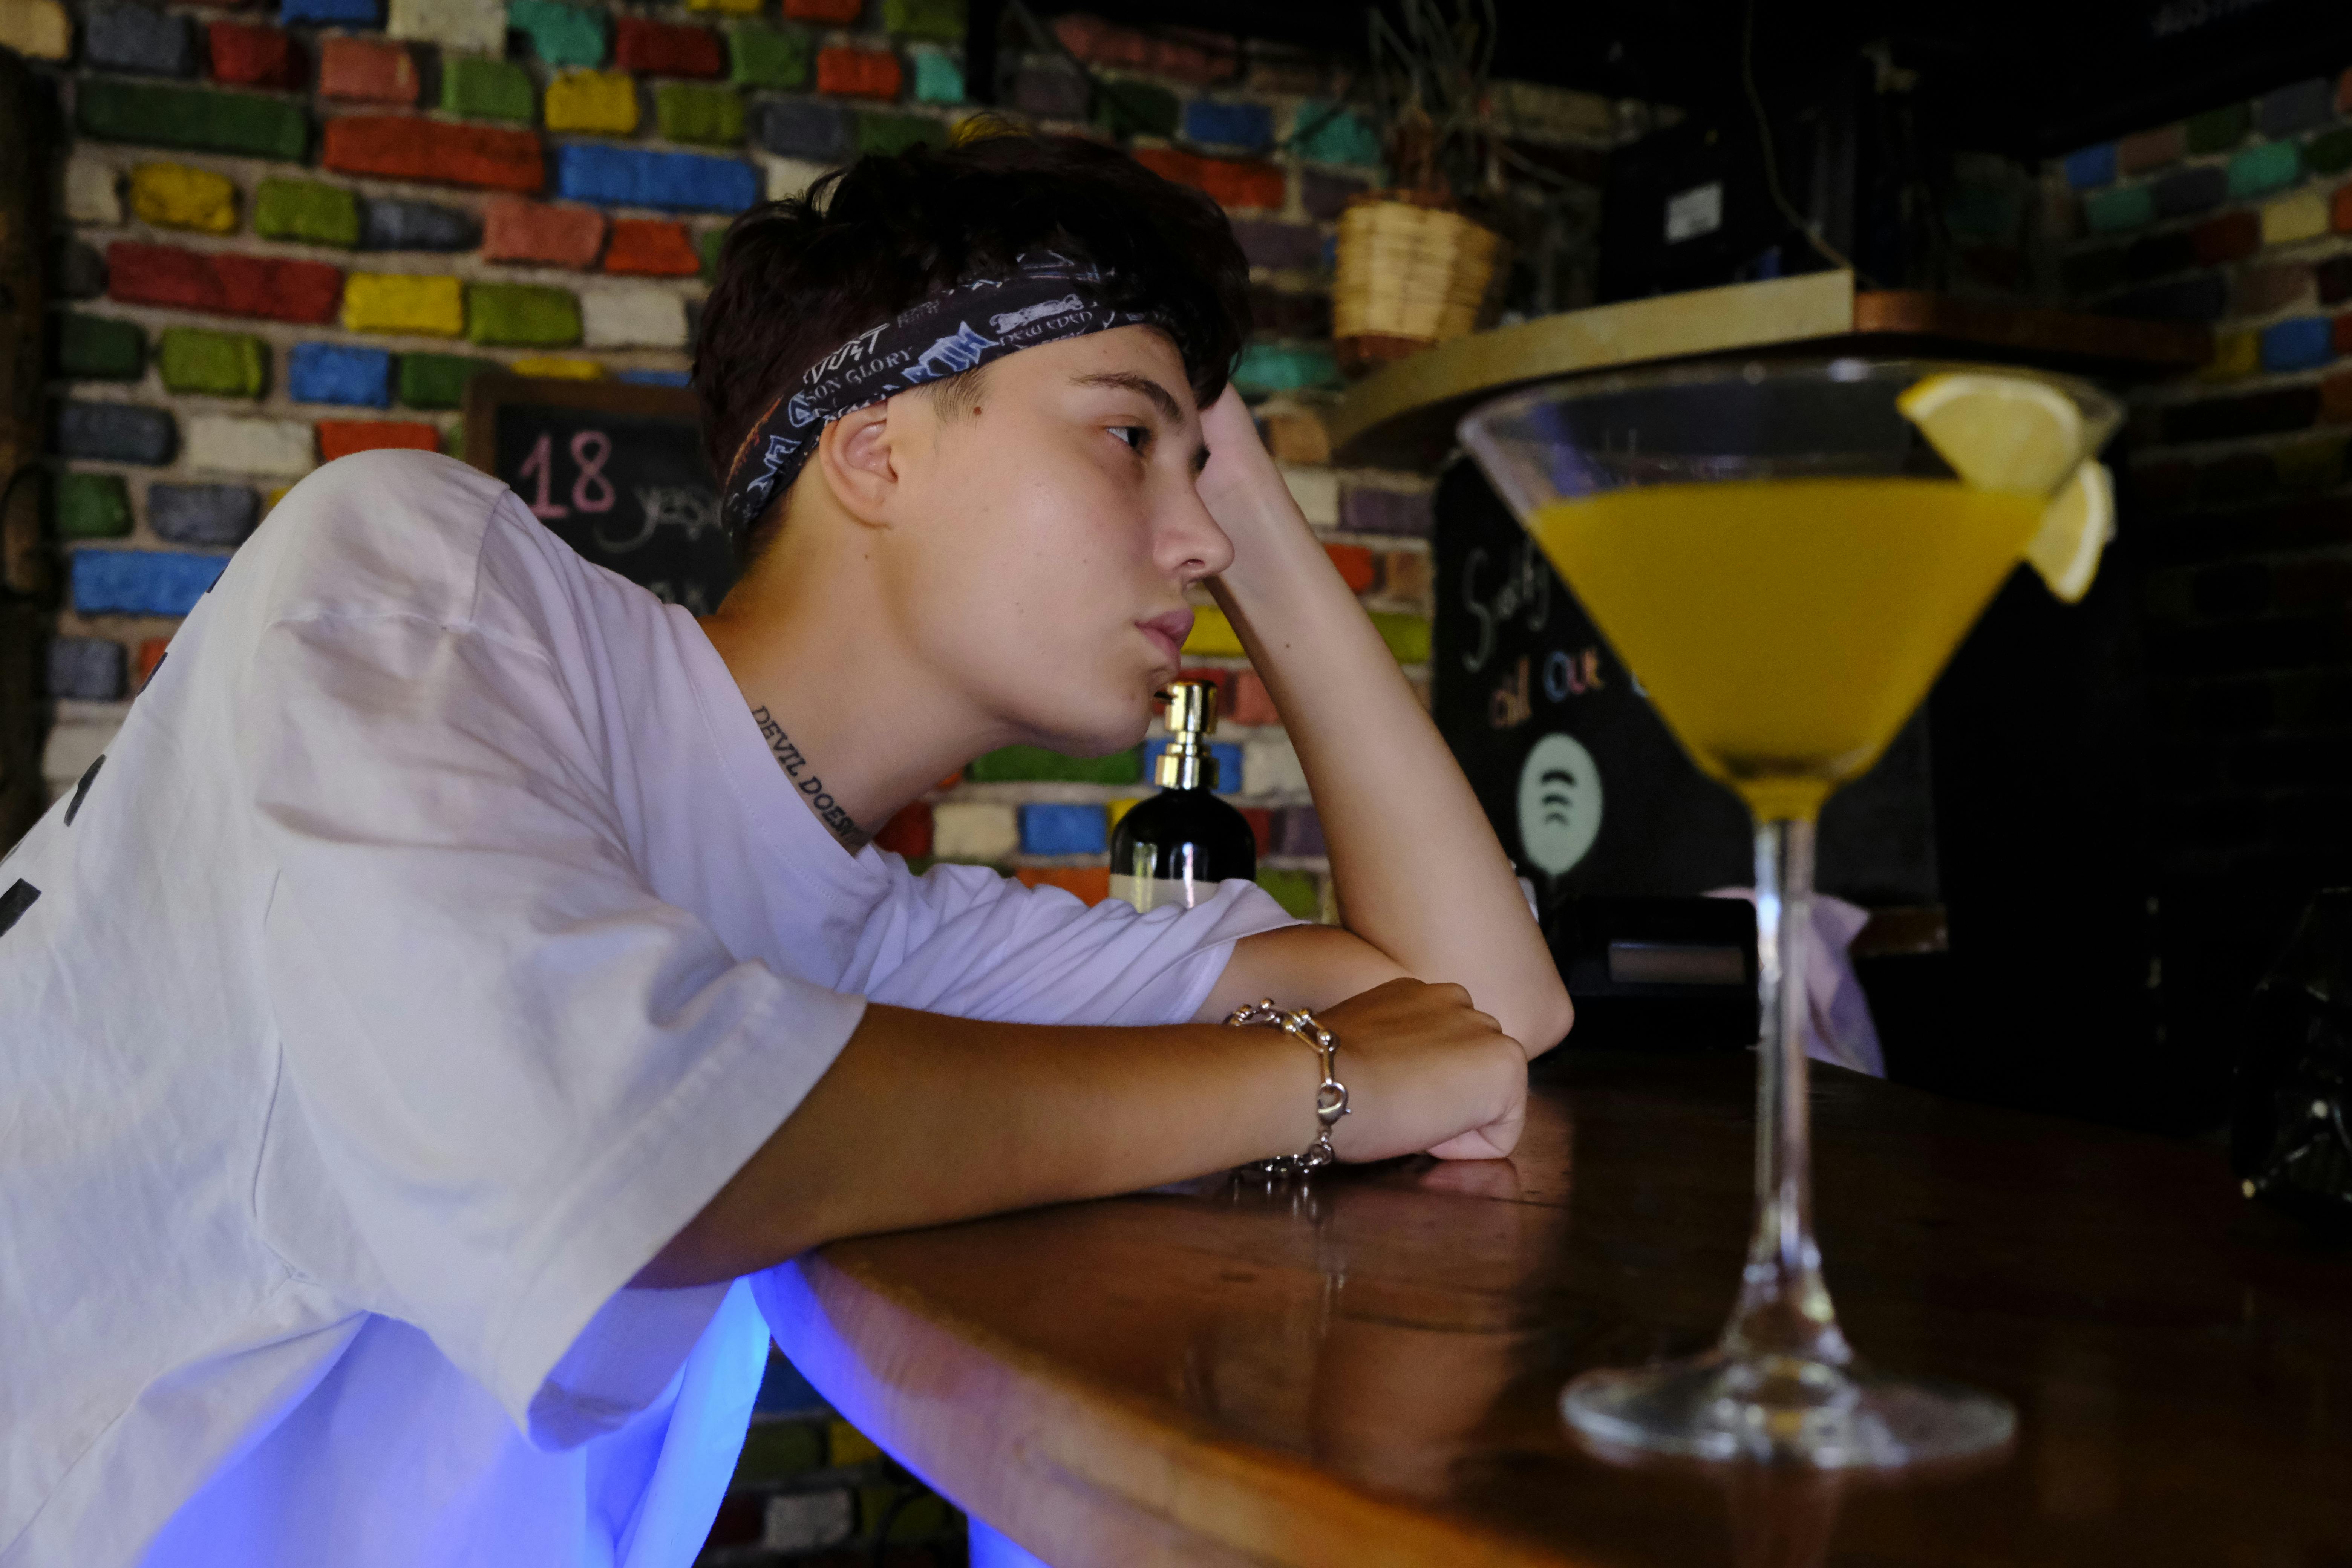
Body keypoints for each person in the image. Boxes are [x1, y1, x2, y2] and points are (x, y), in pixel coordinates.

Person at [0, 129, 1570, 1567]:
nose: (1201, 534)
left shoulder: (886, 937)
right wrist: (1316, 1077)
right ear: (875, 452)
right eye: (1125, 440)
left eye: (1198, 464)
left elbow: (1482, 1009)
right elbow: (628, 1151)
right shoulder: (420, 576)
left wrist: (1258, 527)